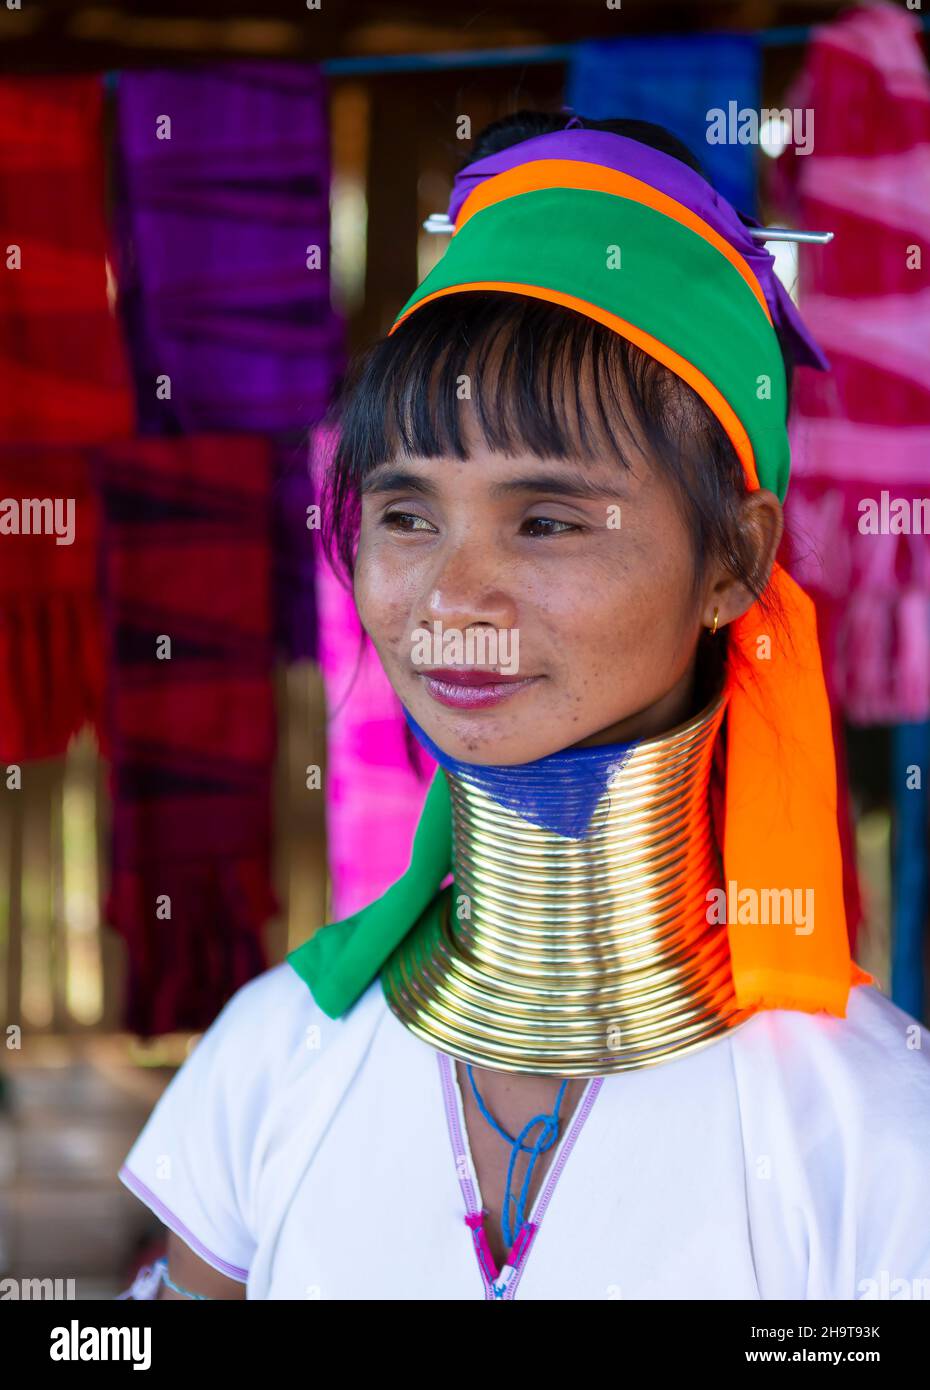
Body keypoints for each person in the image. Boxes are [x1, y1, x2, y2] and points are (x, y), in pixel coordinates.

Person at [117, 111, 930, 1302]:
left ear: (733, 563)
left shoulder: (870, 1133)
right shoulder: (279, 1055)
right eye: (406, 516)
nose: (453, 593)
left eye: (547, 520)